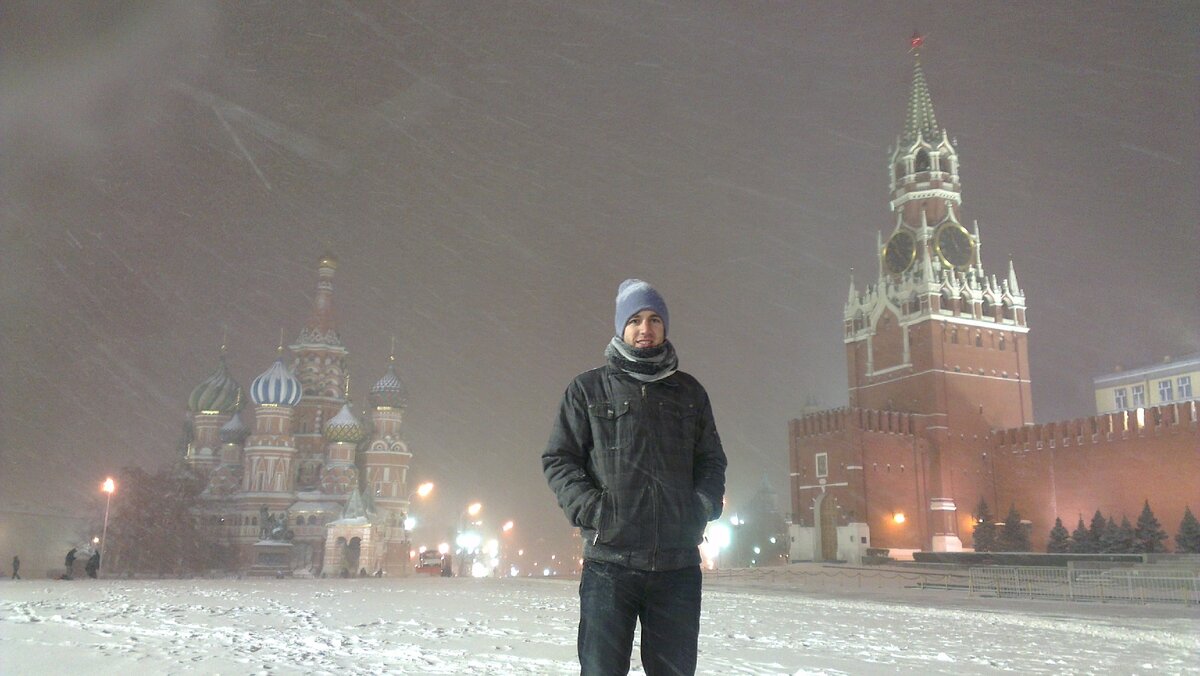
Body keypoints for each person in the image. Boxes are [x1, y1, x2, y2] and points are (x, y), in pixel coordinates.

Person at [542, 278, 727, 676]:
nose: (646, 329)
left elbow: (711, 461)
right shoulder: (587, 390)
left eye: (655, 319)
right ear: (621, 328)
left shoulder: (689, 393)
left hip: (677, 568)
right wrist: (596, 511)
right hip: (609, 565)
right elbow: (560, 459)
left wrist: (700, 508)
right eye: (635, 320)